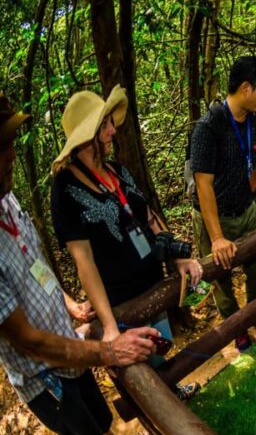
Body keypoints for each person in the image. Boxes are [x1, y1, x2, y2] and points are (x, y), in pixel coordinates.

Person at [0, 93, 158, 435]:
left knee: (99, 414)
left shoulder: (8, 201)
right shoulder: (62, 189)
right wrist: (108, 349)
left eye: (11, 142)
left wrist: (68, 302)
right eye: (2, 147)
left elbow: (34, 261)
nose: (13, 154)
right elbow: (27, 341)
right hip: (44, 376)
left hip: (69, 344)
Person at [51, 85, 203, 400]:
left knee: (158, 350)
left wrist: (178, 256)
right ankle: (158, 421)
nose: (112, 129)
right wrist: (108, 328)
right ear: (86, 133)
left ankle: (173, 395)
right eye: (104, 124)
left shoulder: (118, 171)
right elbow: (85, 262)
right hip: (120, 303)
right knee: (137, 367)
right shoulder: (65, 190)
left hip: (152, 285)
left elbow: (147, 216)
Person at [190, 56, 256, 351]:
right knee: (220, 277)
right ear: (247, 87)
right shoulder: (209, 126)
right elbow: (203, 184)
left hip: (246, 209)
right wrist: (217, 237)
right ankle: (235, 327)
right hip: (214, 217)